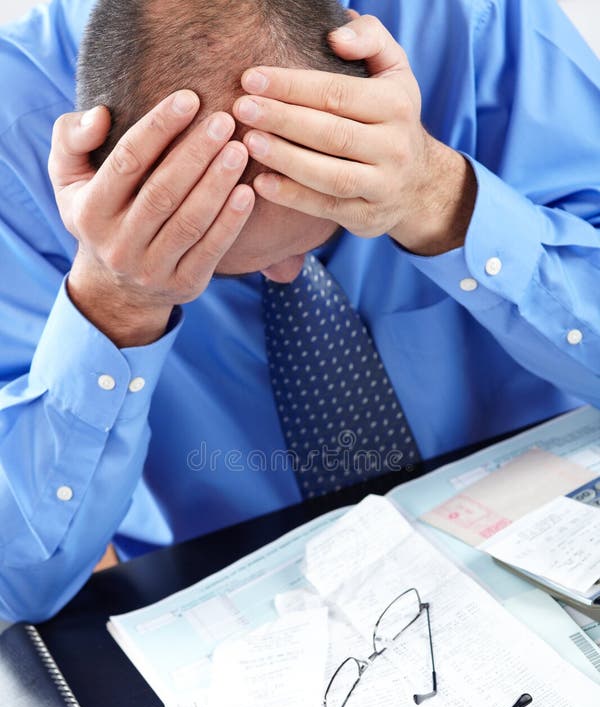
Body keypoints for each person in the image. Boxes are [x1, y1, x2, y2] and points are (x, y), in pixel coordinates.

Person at [0, 0, 599, 622]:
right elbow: (18, 585)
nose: (283, 276)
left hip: (549, 530)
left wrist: (439, 195)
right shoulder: (10, 125)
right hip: (242, 605)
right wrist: (115, 300)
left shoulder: (479, 21)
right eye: (209, 259)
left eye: (324, 233)